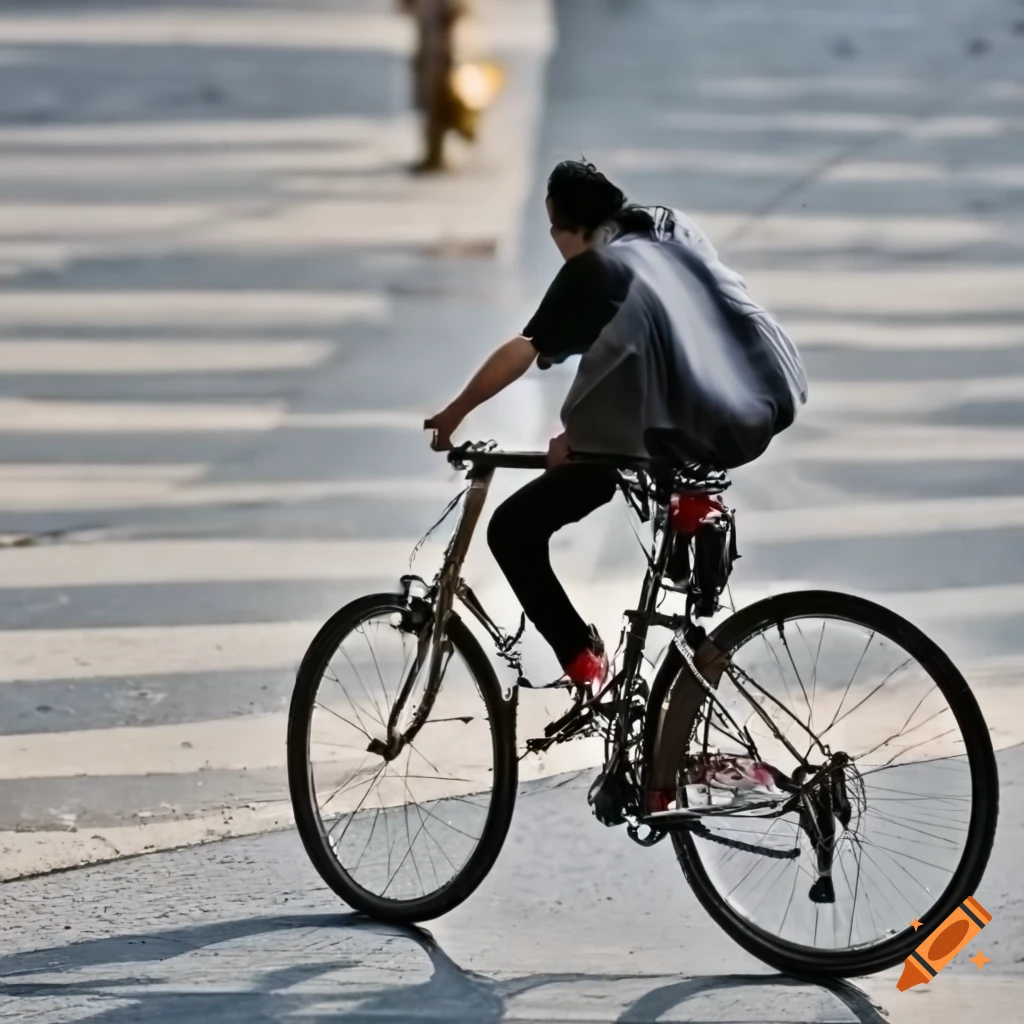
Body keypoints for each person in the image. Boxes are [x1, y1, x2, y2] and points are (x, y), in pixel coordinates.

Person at [425, 160, 807, 689]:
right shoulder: (667, 227)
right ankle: (681, 658)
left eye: (554, 230)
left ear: (566, 228)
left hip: (695, 415)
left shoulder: (592, 271)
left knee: (513, 529)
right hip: (769, 389)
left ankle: (584, 663)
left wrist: (455, 413)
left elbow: (527, 349)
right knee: (617, 469)